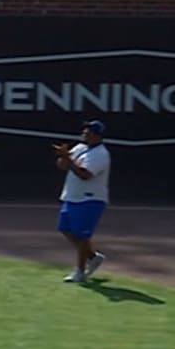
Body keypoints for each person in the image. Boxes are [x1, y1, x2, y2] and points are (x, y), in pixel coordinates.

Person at [53, 119, 112, 283]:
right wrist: (63, 156)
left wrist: (69, 160)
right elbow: (62, 166)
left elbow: (85, 175)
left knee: (81, 236)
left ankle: (79, 271)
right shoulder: (79, 148)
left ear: (96, 135)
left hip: (90, 199)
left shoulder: (101, 154)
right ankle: (93, 257)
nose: (84, 133)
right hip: (71, 196)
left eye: (88, 132)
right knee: (65, 228)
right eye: (85, 131)